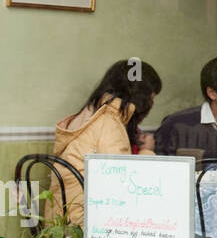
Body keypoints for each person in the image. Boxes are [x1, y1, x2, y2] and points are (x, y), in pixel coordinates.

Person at [50, 60, 163, 226]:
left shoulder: (91, 115)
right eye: (151, 98)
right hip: (83, 228)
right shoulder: (109, 125)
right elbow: (125, 189)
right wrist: (147, 151)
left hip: (60, 219)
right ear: (141, 96)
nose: (151, 105)